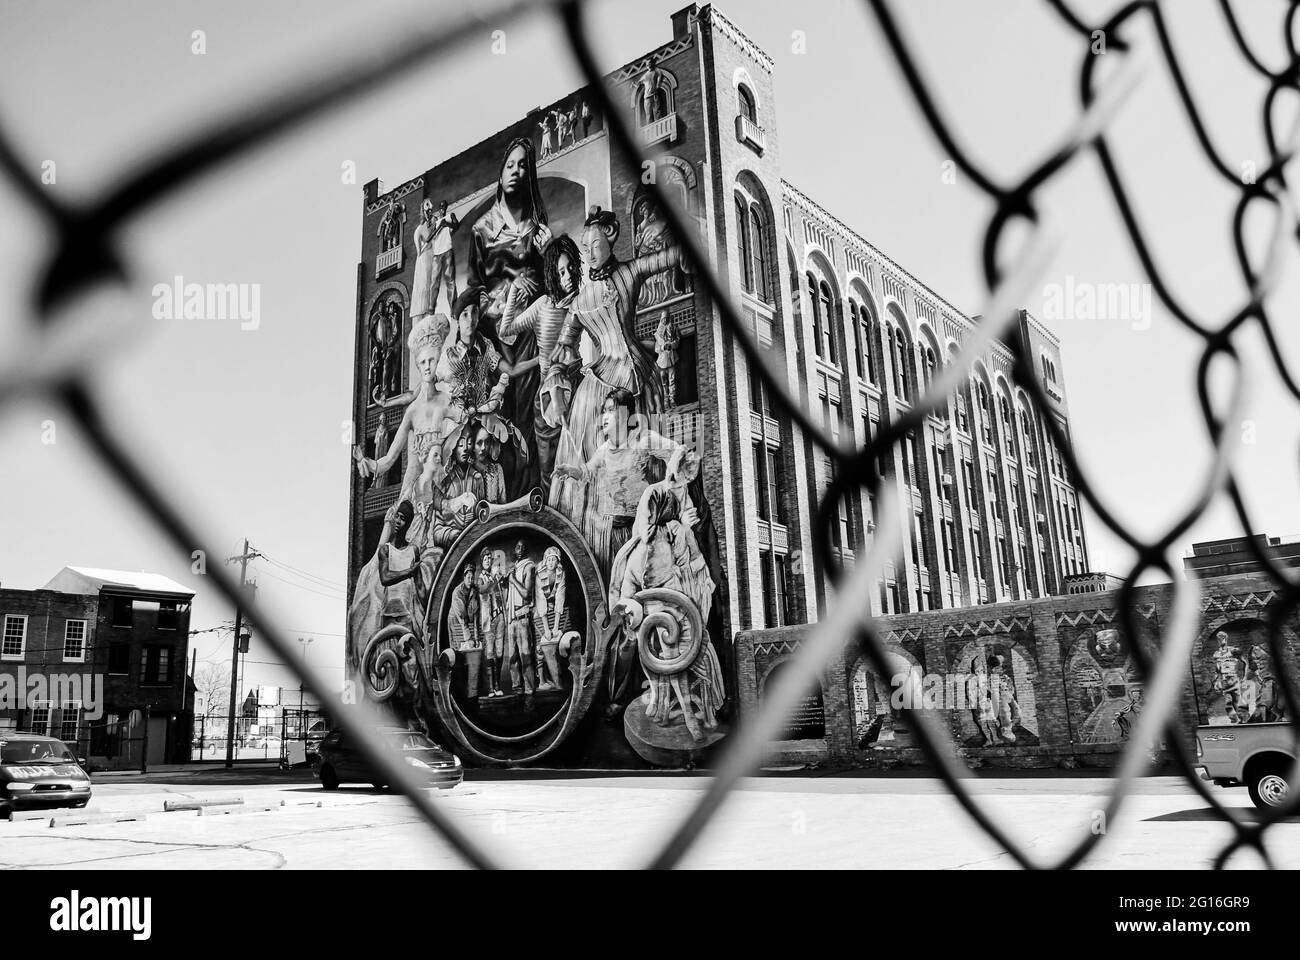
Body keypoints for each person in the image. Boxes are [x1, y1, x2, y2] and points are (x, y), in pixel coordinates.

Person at [549, 205, 683, 463]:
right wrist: (556, 391)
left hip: (642, 377)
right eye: (585, 249)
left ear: (610, 235)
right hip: (599, 386)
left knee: (649, 450)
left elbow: (662, 259)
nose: (589, 254)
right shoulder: (579, 302)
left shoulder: (630, 272)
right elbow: (562, 350)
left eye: (595, 245)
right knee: (594, 454)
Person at [468, 137, 551, 496]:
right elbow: (474, 287)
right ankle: (500, 492)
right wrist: (494, 304)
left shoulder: (537, 228)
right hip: (494, 337)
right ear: (500, 175)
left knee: (531, 412)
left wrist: (547, 253)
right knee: (499, 411)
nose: (516, 171)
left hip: (528, 332)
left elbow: (553, 282)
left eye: (523, 166)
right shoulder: (482, 229)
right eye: (510, 165)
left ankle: (530, 490)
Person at [610, 484, 723, 737]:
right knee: (663, 657)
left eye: (651, 510)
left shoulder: (676, 532)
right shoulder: (633, 550)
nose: (646, 516)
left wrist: (691, 605)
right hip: (653, 623)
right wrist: (630, 611)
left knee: (683, 655)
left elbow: (693, 573)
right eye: (645, 511)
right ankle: (676, 710)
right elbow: (626, 592)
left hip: (681, 613)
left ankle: (695, 713)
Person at [355, 314, 452, 552]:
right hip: (415, 487)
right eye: (423, 363)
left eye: (432, 360)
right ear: (418, 366)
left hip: (442, 484)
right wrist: (367, 463)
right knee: (402, 534)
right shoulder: (412, 412)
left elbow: (465, 425)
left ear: (437, 359)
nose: (428, 366)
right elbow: (389, 458)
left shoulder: (446, 401)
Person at [498, 234, 582, 495]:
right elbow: (506, 331)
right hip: (544, 398)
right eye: (561, 271)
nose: (567, 275)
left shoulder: (581, 303)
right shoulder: (542, 306)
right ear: (553, 275)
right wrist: (514, 289)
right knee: (548, 467)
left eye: (570, 269)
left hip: (575, 388)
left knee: (578, 461)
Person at [532, 546, 568, 691]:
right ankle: (541, 681)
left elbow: (560, 597)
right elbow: (540, 600)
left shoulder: (561, 573)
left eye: (553, 559)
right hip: (541, 613)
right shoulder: (539, 574)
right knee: (540, 648)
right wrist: (547, 629)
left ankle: (557, 680)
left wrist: (555, 627)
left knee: (560, 643)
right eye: (548, 559)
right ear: (545, 560)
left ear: (557, 561)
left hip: (555, 611)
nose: (551, 562)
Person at [504, 541, 537, 696]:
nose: (520, 550)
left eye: (523, 547)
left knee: (526, 657)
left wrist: (513, 580)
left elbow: (526, 594)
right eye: (517, 546)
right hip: (512, 618)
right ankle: (517, 690)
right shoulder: (514, 567)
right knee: (512, 658)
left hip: (523, 618)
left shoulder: (529, 567)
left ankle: (530, 692)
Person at [447, 563, 483, 699]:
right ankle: (460, 694)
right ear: (464, 577)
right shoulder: (457, 592)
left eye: (472, 577)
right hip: (456, 624)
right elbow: (461, 618)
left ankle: (472, 693)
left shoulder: (474, 591)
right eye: (468, 577)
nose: (470, 580)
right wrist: (468, 639)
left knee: (473, 653)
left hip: (467, 624)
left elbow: (475, 616)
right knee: (459, 655)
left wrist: (476, 637)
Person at [476, 548, 506, 698]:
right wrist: (493, 579)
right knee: (490, 653)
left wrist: (501, 578)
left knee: (500, 652)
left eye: (489, 558)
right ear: (482, 562)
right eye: (485, 558)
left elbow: (503, 588)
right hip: (488, 621)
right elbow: (482, 590)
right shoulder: (481, 578)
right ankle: (490, 688)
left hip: (499, 617)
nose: (488, 560)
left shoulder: (496, 575)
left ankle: (498, 685)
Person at [410, 199, 441, 318]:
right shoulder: (419, 230)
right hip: (425, 259)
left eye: (430, 210)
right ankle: (425, 307)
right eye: (426, 211)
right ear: (423, 212)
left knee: (434, 281)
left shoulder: (435, 221)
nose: (429, 213)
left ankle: (433, 305)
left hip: (435, 254)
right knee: (426, 283)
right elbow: (419, 252)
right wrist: (427, 243)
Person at [429, 201, 460, 317]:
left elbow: (457, 226)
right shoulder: (435, 222)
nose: (442, 209)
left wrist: (447, 224)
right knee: (434, 283)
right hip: (436, 255)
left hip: (447, 251)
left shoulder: (449, 216)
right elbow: (430, 237)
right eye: (441, 207)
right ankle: (431, 310)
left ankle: (453, 310)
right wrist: (437, 226)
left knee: (450, 281)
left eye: (444, 207)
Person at [654, 314, 680, 407]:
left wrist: (671, 345)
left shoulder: (673, 329)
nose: (664, 320)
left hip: (672, 358)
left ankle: (672, 399)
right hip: (662, 361)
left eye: (666, 319)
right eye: (663, 319)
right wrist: (663, 347)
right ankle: (665, 400)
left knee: (672, 380)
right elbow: (656, 349)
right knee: (663, 382)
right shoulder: (658, 334)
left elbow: (677, 341)